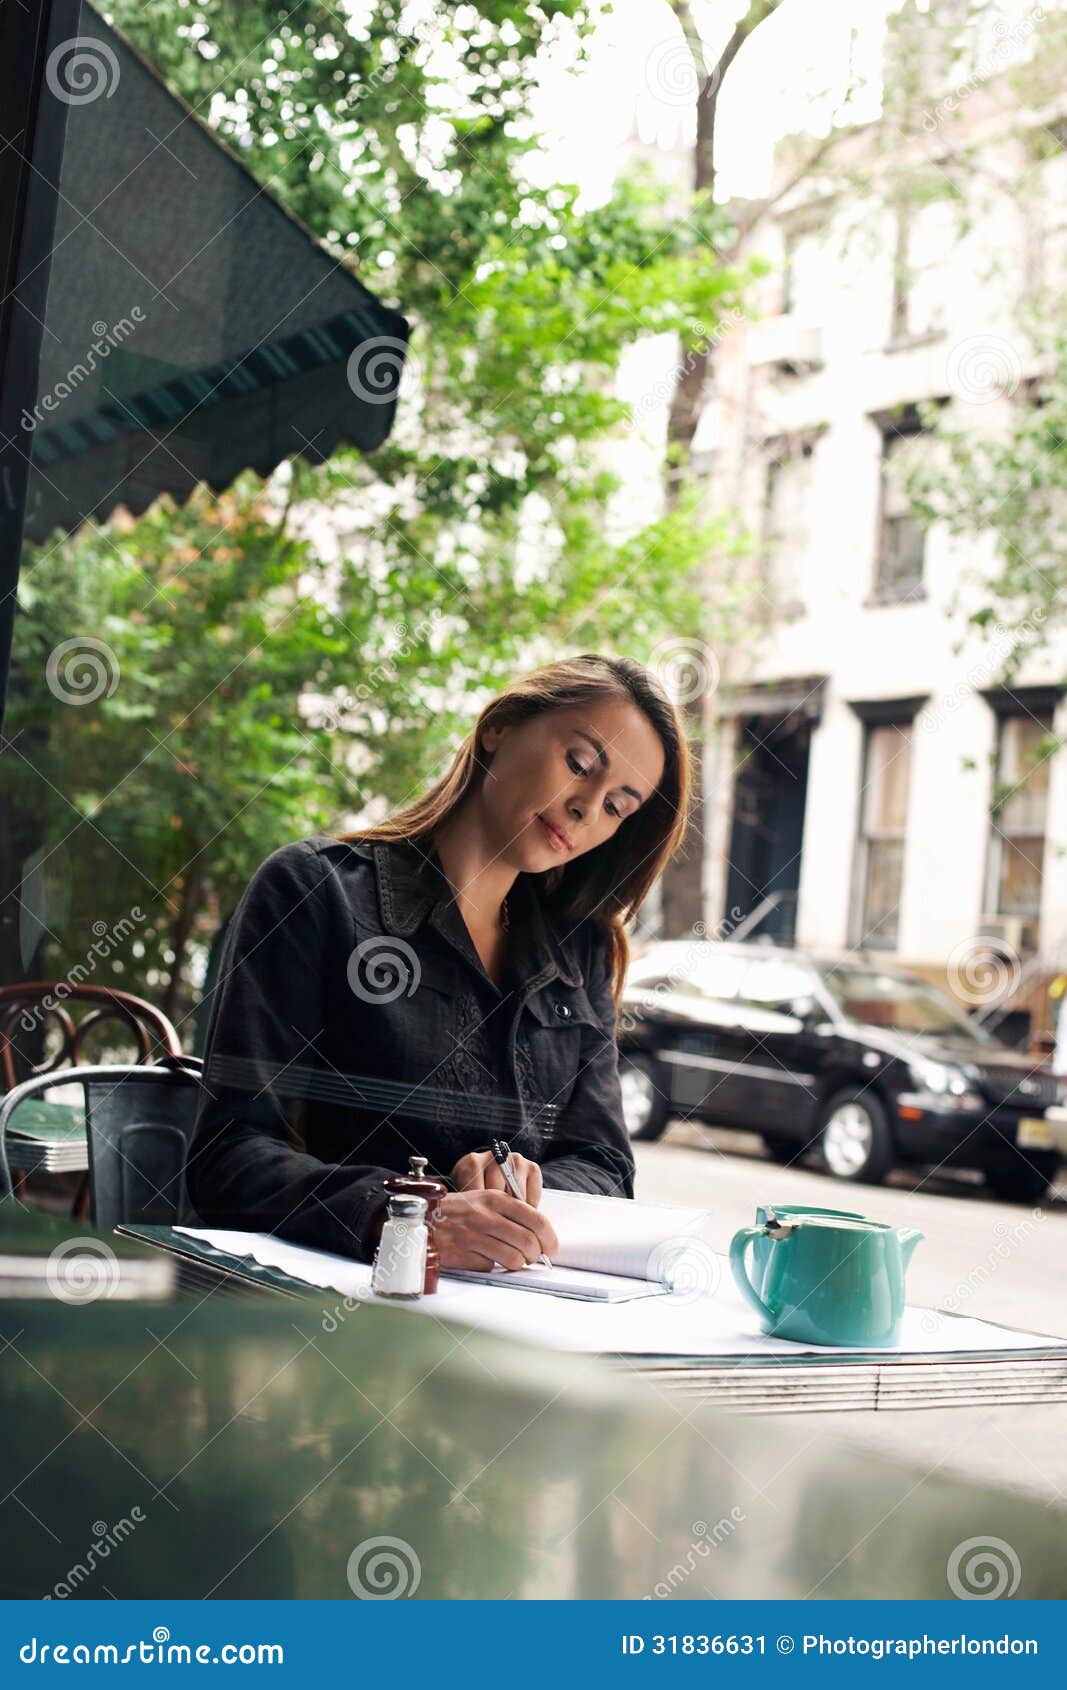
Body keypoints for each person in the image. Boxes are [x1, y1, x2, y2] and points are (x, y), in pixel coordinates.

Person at [185, 653, 691, 1270]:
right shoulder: (315, 893)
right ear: (499, 728)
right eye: (580, 764)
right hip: (329, 1317)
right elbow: (228, 1155)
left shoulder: (579, 954)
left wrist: (524, 1194)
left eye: (618, 806)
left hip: (515, 1308)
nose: (588, 806)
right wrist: (411, 1216)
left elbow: (604, 1164)